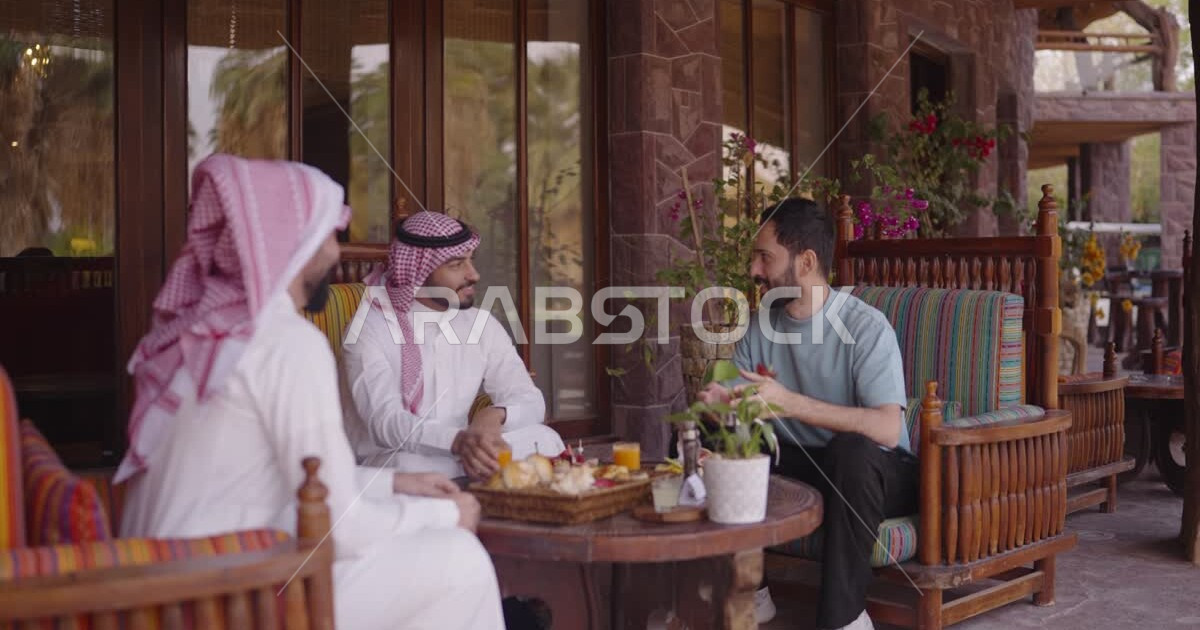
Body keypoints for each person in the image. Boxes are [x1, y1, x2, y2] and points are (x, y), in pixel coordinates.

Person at [116, 154, 504, 629]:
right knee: (461, 559)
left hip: (165, 582)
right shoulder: (286, 343)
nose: (336, 254)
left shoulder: (199, 332)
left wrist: (393, 484)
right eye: (329, 237)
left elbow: (259, 475)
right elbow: (339, 525)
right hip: (223, 595)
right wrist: (446, 514)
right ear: (293, 243)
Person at [699, 198, 917, 630]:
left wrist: (790, 403)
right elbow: (732, 399)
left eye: (765, 257)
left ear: (806, 261)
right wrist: (715, 403)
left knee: (852, 450)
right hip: (801, 465)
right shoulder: (760, 324)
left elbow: (888, 429)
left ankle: (845, 620)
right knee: (705, 433)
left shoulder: (864, 326)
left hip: (876, 473)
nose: (754, 270)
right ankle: (749, 591)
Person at [342, 210, 564, 480]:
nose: (474, 275)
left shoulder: (480, 323)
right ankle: (485, 476)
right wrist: (457, 441)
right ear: (418, 272)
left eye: (470, 261)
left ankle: (480, 472)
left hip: (463, 453)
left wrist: (494, 417)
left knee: (546, 439)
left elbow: (530, 399)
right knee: (406, 466)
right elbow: (386, 424)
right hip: (393, 458)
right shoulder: (369, 328)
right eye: (457, 265)